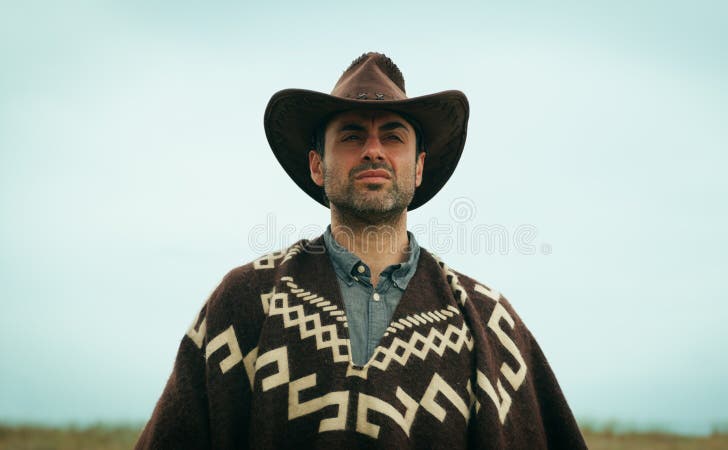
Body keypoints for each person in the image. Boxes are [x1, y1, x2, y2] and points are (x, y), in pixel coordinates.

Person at [136, 52, 586, 449]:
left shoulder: (487, 325)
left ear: (418, 168)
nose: (373, 150)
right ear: (318, 165)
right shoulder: (244, 303)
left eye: (393, 136)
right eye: (351, 136)